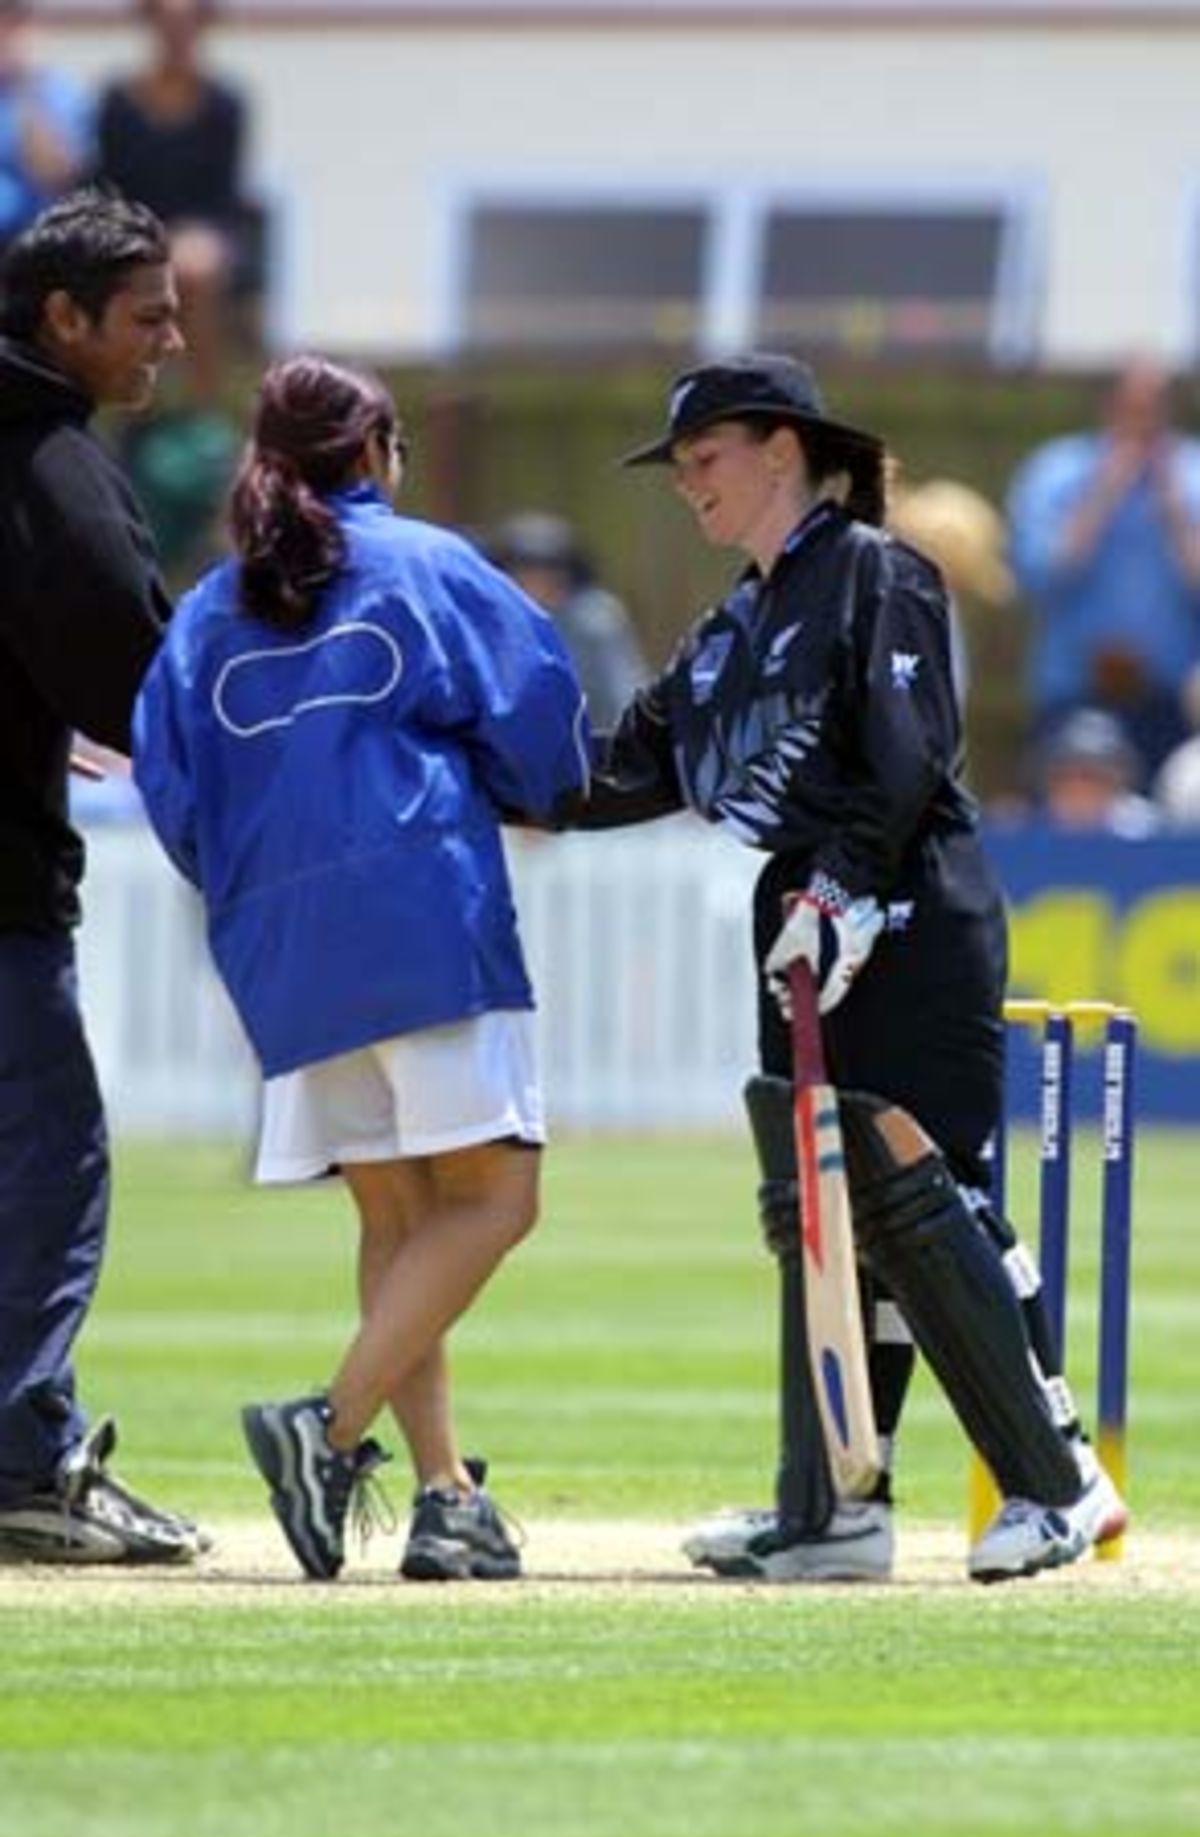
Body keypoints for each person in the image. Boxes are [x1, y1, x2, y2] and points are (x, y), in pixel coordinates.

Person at [579, 352, 1126, 1584]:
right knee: (821, 1214)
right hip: (803, 918)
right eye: (677, 467)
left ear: (786, 450)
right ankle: (834, 1506)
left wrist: (840, 891)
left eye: (705, 458)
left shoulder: (879, 573)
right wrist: (461, 764)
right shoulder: (734, 623)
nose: (687, 485)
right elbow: (620, 770)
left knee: (923, 1200)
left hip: (912, 903)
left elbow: (909, 755)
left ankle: (1055, 1478)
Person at [132, 354, 591, 1583]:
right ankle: (325, 1430)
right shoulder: (430, 564)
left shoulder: (208, 609)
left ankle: (446, 1497)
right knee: (497, 1200)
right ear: (380, 446)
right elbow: (542, 719)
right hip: (420, 910)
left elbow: (173, 798)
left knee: (398, 1218)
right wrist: (535, 795)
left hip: (280, 946)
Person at [0, 184, 205, 1563]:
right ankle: (21, 1455)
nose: (172, 344)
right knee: (47, 1164)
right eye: (145, 318)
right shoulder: (51, 459)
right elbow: (134, 666)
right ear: (61, 320)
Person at [1006, 356, 1200, 781]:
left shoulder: (1193, 473)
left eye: (1155, 409)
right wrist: (1102, 493)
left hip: (1173, 703)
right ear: (1109, 406)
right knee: (1065, 841)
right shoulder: (1055, 470)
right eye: (1133, 408)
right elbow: (1038, 575)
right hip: (1074, 695)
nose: (1143, 423)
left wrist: (1177, 513)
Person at [95, 0, 254, 408]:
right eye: (167, 21)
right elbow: (108, 185)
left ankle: (201, 412)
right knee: (133, 270)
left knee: (193, 268)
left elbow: (223, 195)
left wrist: (189, 239)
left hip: (202, 236)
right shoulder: (117, 100)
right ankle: (131, 409)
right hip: (130, 230)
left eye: (187, 21)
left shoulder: (226, 103)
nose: (177, 32)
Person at [486, 512, 649, 728]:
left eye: (548, 568)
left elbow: (623, 691)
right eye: (524, 568)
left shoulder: (595, 621)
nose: (537, 580)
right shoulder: (486, 620)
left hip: (589, 746)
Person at [0, 0, 92, 255]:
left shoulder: (58, 93)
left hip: (28, 246)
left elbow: (56, 175)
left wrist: (22, 87)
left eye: (10, 21)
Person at [1031, 705, 1160, 836]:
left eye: (1090, 776)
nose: (1080, 789)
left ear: (1120, 780)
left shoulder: (1144, 829)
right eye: (1067, 777)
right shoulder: (1031, 829)